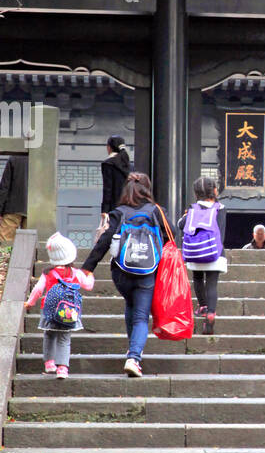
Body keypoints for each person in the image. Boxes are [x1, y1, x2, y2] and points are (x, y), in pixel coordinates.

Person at [81, 172, 172, 377]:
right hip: (147, 271)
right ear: (147, 189)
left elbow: (104, 241)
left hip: (121, 272)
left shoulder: (119, 212)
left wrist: (87, 268)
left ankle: (133, 350)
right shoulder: (157, 211)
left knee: (131, 305)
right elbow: (172, 235)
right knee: (141, 316)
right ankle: (134, 357)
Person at [25, 231, 94, 379]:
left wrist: (30, 303)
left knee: (49, 335)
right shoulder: (76, 273)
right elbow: (88, 286)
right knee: (64, 338)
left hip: (49, 310)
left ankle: (49, 363)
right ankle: (62, 368)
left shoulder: (47, 273)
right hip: (69, 311)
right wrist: (91, 276)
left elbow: (38, 289)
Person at [177, 177, 226, 335]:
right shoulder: (221, 208)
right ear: (214, 191)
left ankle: (203, 306)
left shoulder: (192, 209)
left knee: (198, 278)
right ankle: (211, 313)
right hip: (214, 251)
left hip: (196, 251)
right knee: (212, 283)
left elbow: (180, 225)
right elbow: (222, 230)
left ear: (196, 193)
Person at [98, 136, 131, 232]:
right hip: (129, 207)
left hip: (114, 207)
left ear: (109, 147)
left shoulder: (108, 164)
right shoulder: (129, 165)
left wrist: (105, 210)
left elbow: (108, 188)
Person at [0, 152, 27, 246]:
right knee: (28, 243)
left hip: (12, 208)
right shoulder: (41, 159)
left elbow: (4, 187)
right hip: (34, 208)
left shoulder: (14, 158)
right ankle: (26, 260)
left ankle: (5, 260)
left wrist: (0, 210)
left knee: (6, 241)